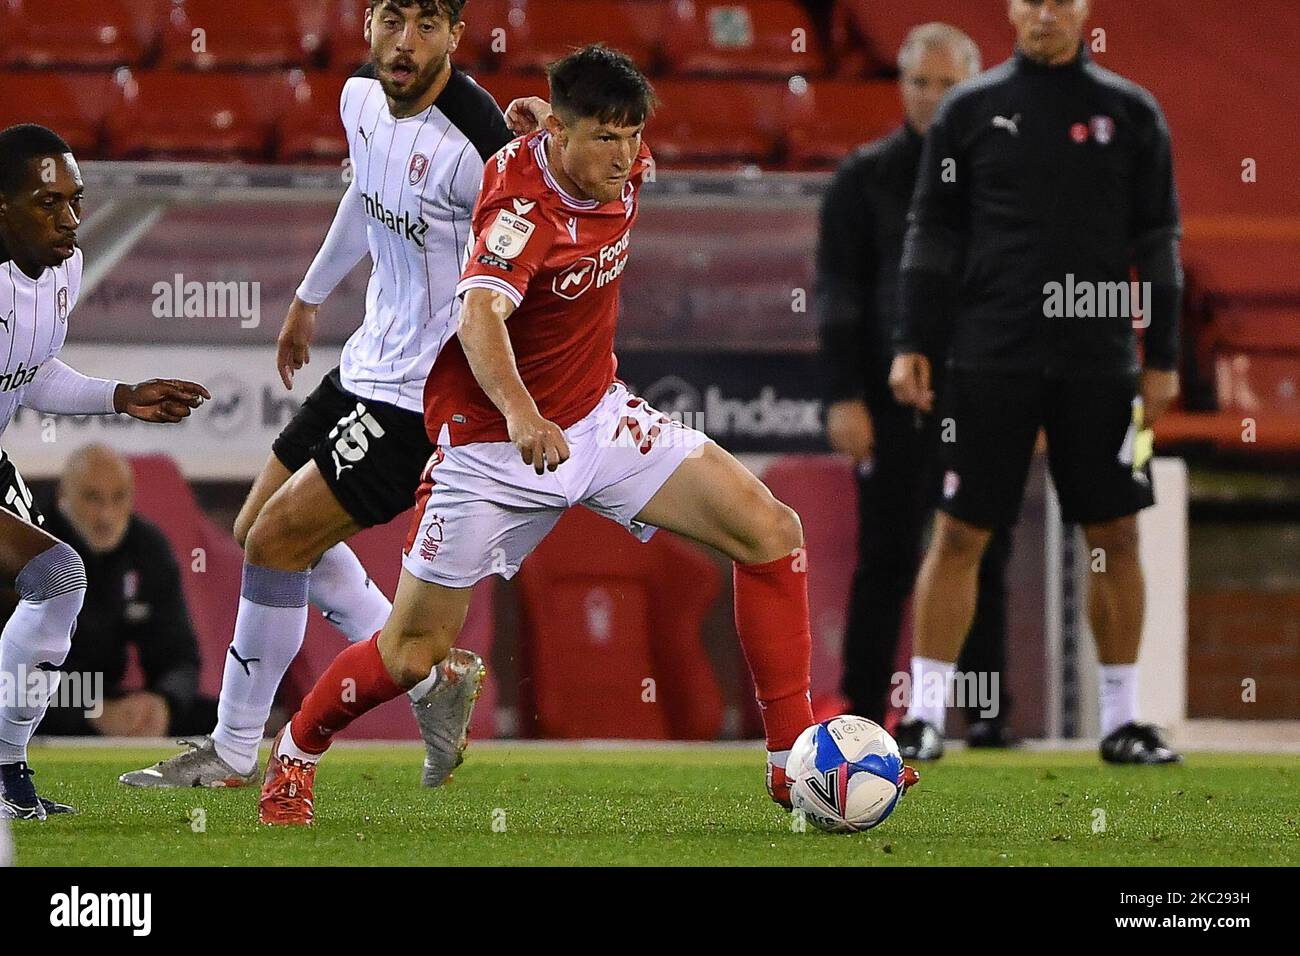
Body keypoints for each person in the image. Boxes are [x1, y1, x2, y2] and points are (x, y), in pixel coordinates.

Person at [256, 44, 918, 826]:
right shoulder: (519, 209)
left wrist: (563, 129)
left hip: (600, 423)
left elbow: (600, 147)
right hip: (492, 450)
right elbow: (478, 318)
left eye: (633, 135)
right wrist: (522, 414)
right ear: (563, 137)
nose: (627, 154)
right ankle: (294, 755)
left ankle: (791, 766)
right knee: (411, 654)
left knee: (771, 531)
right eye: (606, 138)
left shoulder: (610, 161)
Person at [121, 0, 523, 790]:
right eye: (392, 20)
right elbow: (364, 195)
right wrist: (308, 298)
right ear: (367, 20)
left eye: (428, 25)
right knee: (255, 530)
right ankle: (433, 679)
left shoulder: (481, 145)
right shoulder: (357, 98)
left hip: (418, 395)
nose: (405, 43)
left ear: (456, 35)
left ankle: (234, 751)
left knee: (277, 542)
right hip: (364, 364)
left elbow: (532, 251)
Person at [889, 0, 1184, 763]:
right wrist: (913, 339)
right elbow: (933, 229)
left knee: (1116, 529)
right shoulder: (970, 110)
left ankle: (1122, 720)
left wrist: (1164, 358)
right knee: (958, 530)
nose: (1045, 13)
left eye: (1060, 0)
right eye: (1031, 0)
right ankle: (923, 716)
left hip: (1105, 361)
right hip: (991, 354)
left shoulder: (1134, 113)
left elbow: (1158, 242)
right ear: (1012, 9)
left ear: (1085, 8)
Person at [0, 123, 209, 819]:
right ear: (1, 207)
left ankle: (5, 777)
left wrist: (119, 397)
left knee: (52, 584)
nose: (69, 219)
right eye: (47, 202)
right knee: (56, 575)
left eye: (75, 200)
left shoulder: (64, 269)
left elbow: (29, 373)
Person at [817, 22, 1015, 744]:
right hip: (888, 397)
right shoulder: (860, 179)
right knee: (887, 557)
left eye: (948, 85)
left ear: (974, 87)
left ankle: (988, 719)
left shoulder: (1000, 180)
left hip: (986, 390)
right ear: (900, 86)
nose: (932, 98)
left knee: (985, 552)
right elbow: (838, 296)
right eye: (919, 82)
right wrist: (843, 396)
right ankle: (865, 716)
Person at [33, 444, 217, 739]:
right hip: (38, 700)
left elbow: (180, 655)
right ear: (63, 497)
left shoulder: (147, 547)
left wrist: (162, 703)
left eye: (118, 498)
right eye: (93, 498)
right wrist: (90, 710)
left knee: (219, 721)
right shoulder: (27, 545)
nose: (107, 515)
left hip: (107, 697)